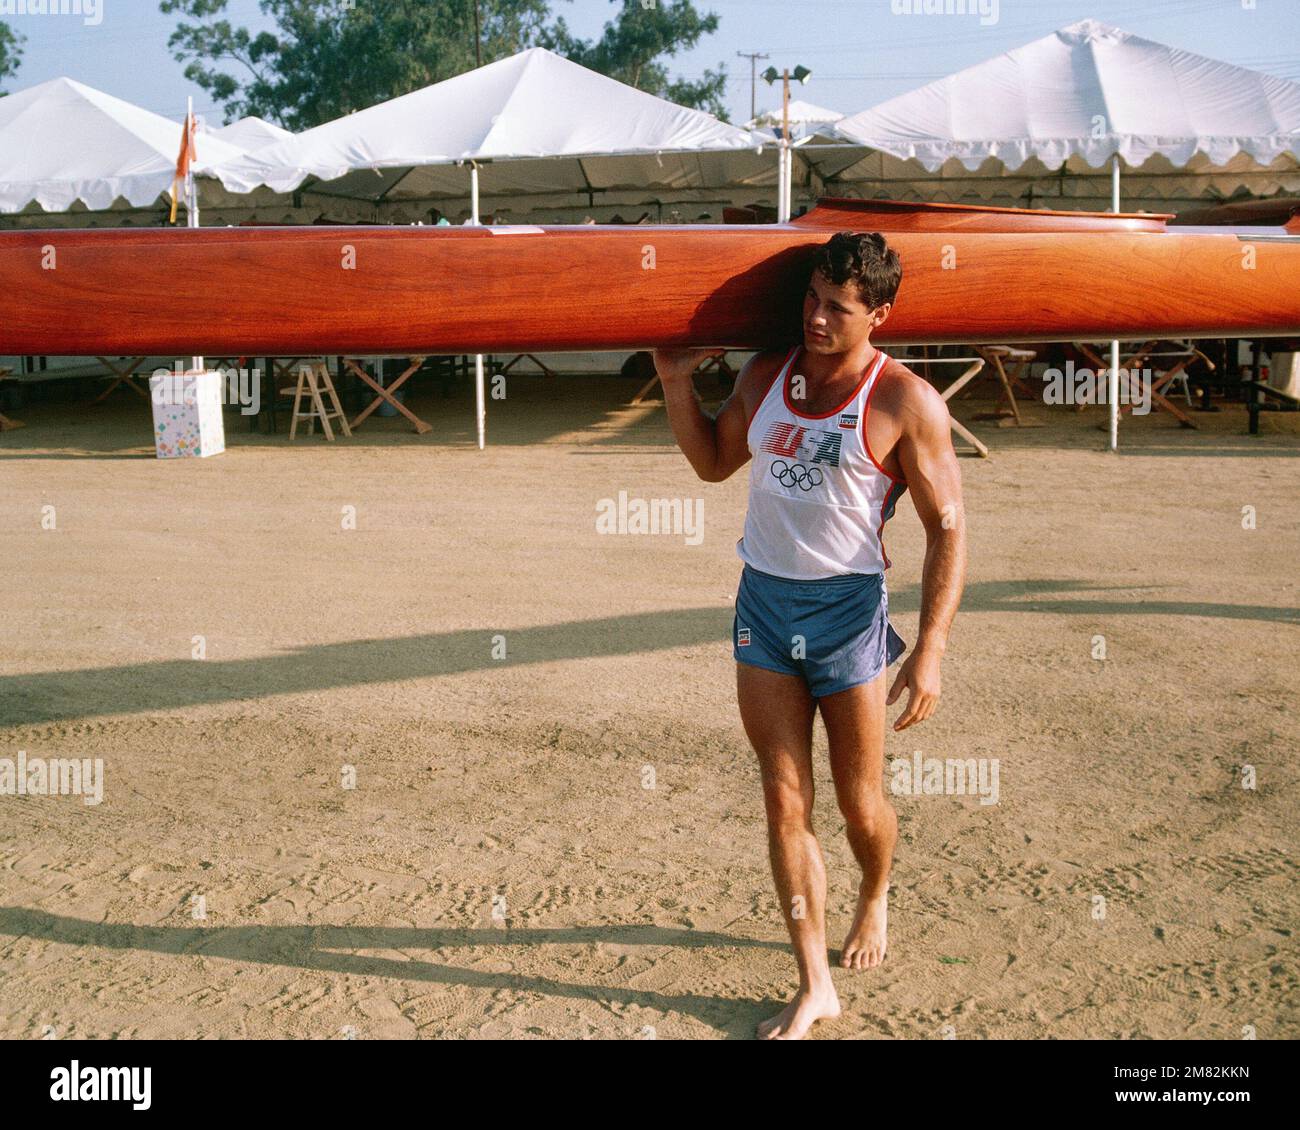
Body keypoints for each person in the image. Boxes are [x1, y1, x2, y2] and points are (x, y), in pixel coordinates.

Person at [653, 231, 966, 1040]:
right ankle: (815, 982)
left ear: (880, 316)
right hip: (763, 603)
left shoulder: (904, 402)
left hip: (848, 616)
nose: (817, 319)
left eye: (838, 308)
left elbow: (949, 529)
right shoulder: (766, 375)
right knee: (784, 798)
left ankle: (874, 893)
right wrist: (673, 382)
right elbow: (714, 464)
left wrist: (929, 647)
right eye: (811, 300)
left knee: (861, 806)